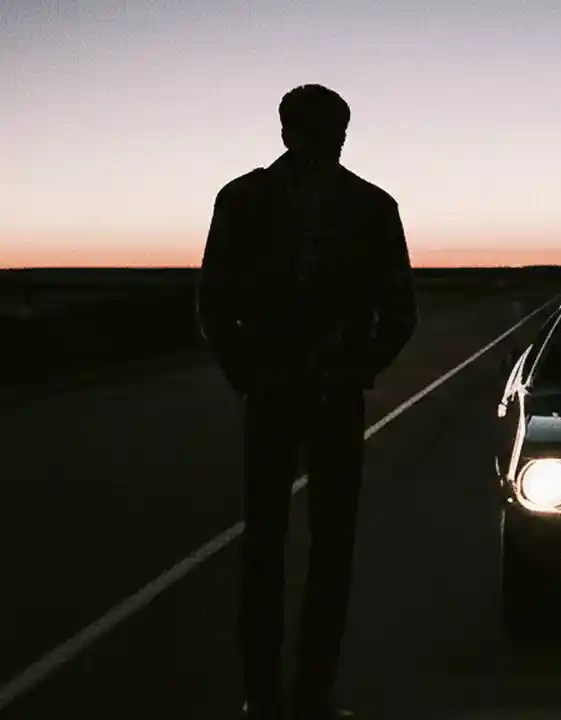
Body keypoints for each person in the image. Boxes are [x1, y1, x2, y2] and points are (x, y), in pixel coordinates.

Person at [197, 84, 417, 720]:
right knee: (268, 547)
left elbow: (398, 311)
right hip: (273, 395)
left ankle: (312, 690)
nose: (329, 138)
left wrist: (354, 371)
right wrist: (247, 374)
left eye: (336, 127)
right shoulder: (243, 199)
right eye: (319, 126)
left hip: (332, 396)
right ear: (288, 129)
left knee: (328, 548)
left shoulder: (373, 207)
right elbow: (214, 299)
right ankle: (263, 696)